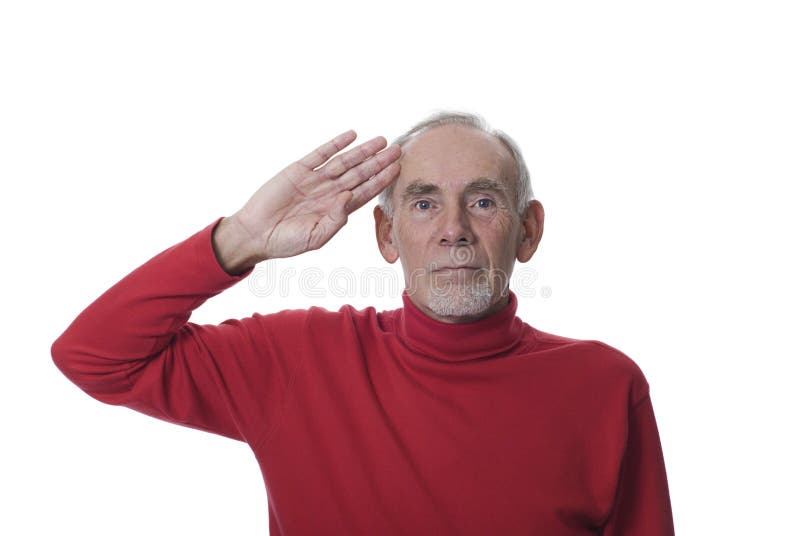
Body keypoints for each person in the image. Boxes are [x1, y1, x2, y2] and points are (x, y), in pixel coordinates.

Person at [52, 110, 675, 535]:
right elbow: (94, 355)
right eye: (424, 203)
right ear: (386, 234)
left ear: (528, 231)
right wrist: (238, 239)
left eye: (483, 201)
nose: (453, 230)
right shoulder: (297, 359)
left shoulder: (605, 385)